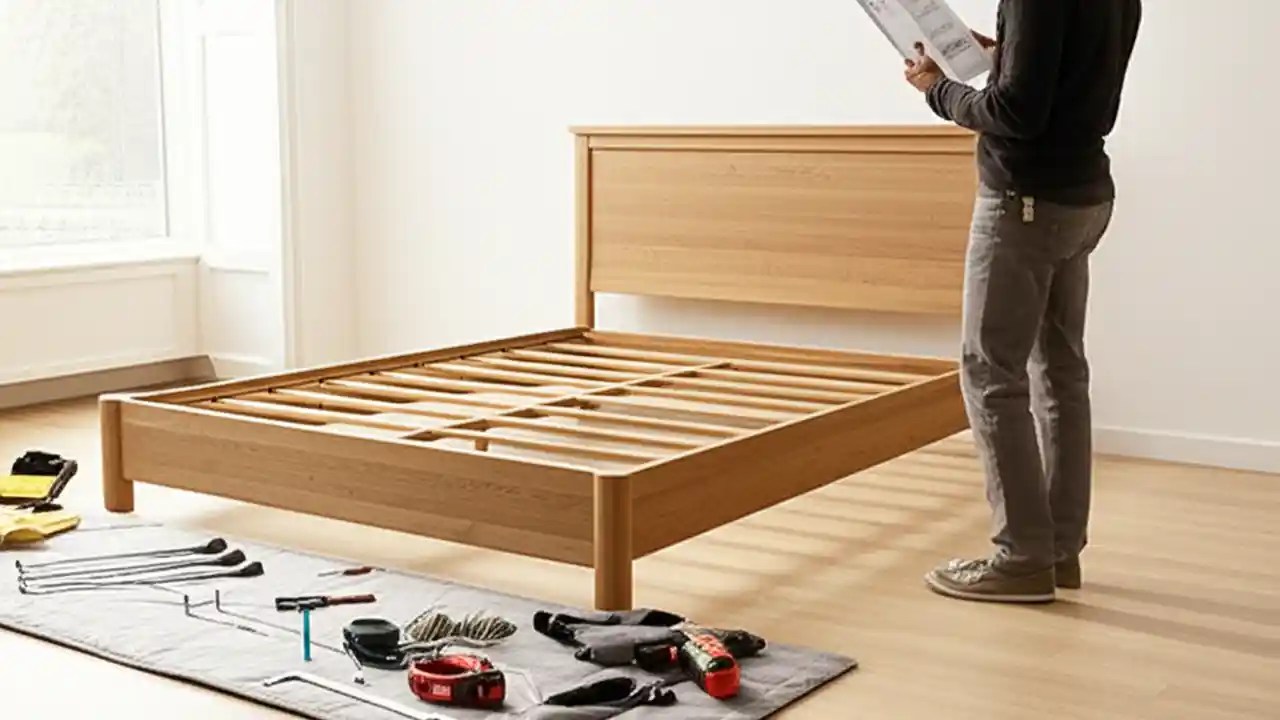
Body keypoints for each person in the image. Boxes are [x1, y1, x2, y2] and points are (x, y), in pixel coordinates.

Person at [902, 1, 1142, 603]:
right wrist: (1000, 53)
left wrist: (938, 90)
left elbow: (1016, 112)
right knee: (1061, 374)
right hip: (1082, 197)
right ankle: (1058, 551)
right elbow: (1072, 81)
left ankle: (1021, 558)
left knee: (991, 375)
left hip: (1025, 202)